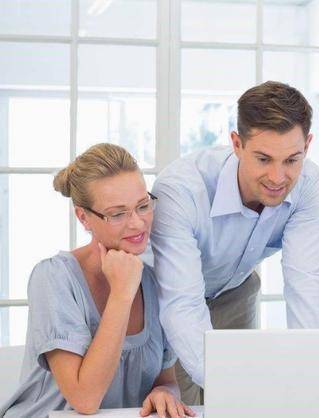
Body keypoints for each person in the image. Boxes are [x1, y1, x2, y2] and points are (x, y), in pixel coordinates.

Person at [151, 81, 319, 404]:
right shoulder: (180, 190)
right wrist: (235, 386)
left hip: (236, 290)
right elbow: (182, 305)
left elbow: (306, 285)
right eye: (263, 159)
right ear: (237, 144)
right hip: (168, 298)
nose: (278, 178)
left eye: (292, 160)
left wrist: (315, 381)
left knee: (239, 406)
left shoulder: (310, 185)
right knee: (185, 404)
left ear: (308, 145)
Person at [0, 144, 193, 418]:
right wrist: (122, 294)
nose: (138, 223)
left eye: (143, 206)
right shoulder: (54, 278)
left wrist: (165, 392)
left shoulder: (152, 281)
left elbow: (166, 378)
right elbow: (85, 399)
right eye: (117, 214)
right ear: (83, 217)